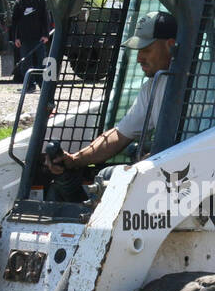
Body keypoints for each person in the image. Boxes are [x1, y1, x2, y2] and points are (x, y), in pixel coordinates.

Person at [46, 11, 179, 174]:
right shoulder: (153, 86)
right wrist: (75, 160)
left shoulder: (203, 79)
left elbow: (201, 140)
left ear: (171, 45)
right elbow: (120, 134)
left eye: (146, 49)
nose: (139, 58)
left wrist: (157, 157)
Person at [10, 0, 50, 88]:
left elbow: (45, 18)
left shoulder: (40, 0)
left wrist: (45, 35)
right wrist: (16, 38)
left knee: (41, 62)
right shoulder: (18, 3)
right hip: (24, 39)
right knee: (25, 63)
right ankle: (29, 85)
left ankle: (43, 86)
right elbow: (15, 22)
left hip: (38, 38)